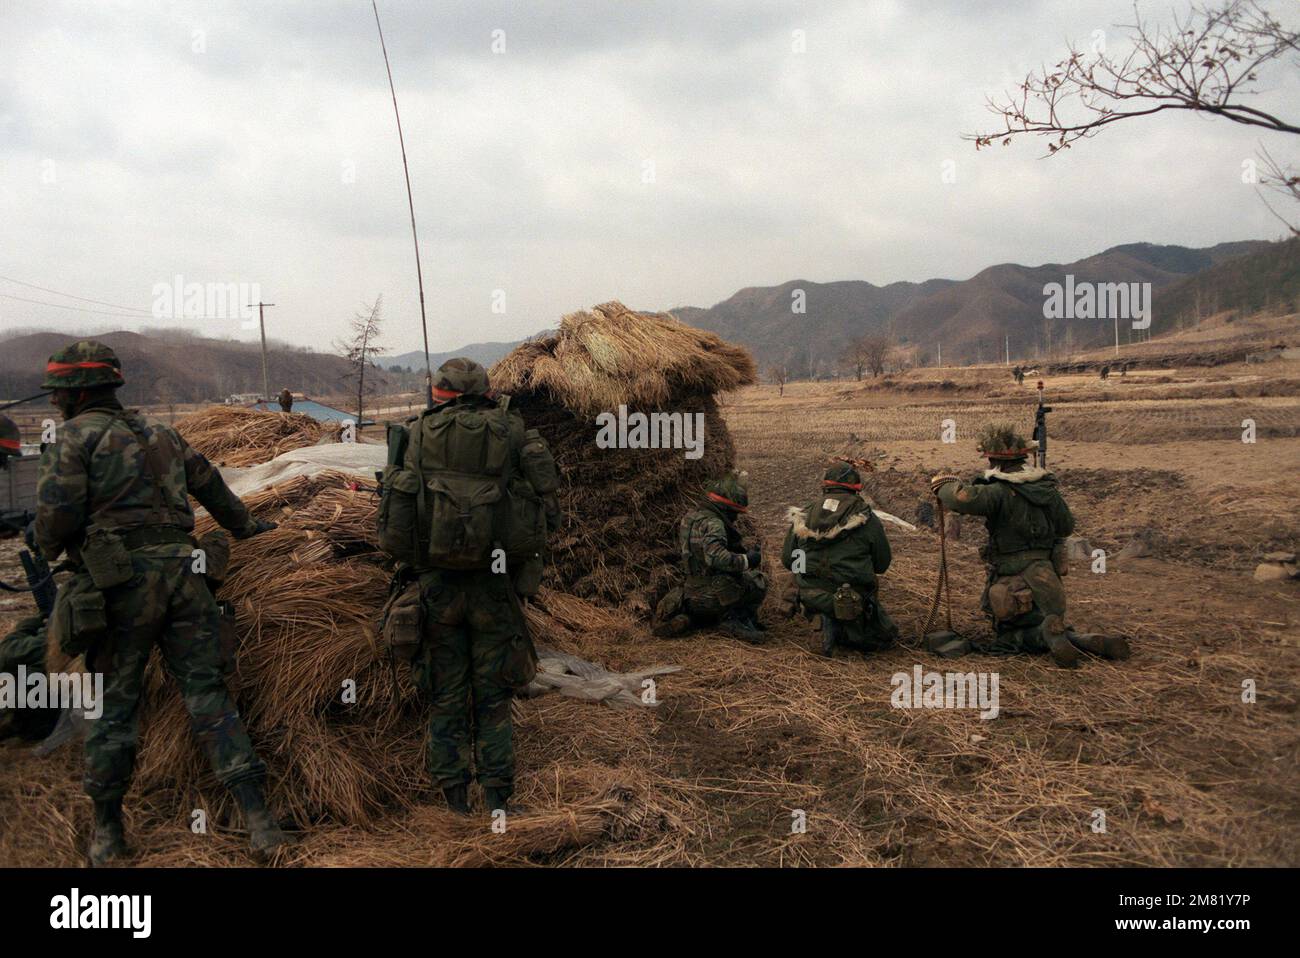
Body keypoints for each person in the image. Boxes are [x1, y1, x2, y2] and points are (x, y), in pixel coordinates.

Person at [34, 340, 288, 865]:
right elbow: (213, 488)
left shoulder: (73, 439)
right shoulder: (164, 434)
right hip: (184, 578)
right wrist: (245, 527)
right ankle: (259, 820)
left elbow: (55, 521)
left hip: (119, 589)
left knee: (113, 705)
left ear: (74, 393)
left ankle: (108, 833)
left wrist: (47, 546)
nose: (57, 402)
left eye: (59, 392)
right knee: (208, 694)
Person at [378, 358, 560, 816]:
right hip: (494, 587)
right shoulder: (513, 431)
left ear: (440, 393)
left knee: (446, 696)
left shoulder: (416, 432)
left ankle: (455, 803)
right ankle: (498, 799)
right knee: (494, 697)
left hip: (436, 588)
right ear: (484, 391)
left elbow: (395, 521)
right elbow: (547, 506)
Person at [930, 423, 1130, 668]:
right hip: (1048, 580)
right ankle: (1084, 640)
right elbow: (1066, 526)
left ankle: (1045, 636)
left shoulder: (999, 491)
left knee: (1010, 640)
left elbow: (962, 499)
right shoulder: (1047, 489)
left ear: (994, 461)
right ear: (1023, 458)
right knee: (1051, 623)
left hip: (1012, 581)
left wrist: (943, 485)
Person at [781, 463, 898, 656]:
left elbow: (789, 560)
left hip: (811, 594)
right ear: (856, 490)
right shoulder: (867, 519)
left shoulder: (803, 515)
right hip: (851, 598)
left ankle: (821, 619)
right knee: (885, 638)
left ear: (825, 487)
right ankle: (849, 629)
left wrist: (807, 570)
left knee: (803, 575)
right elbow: (881, 565)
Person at [657, 472, 767, 641]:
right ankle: (734, 620)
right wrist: (747, 560)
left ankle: (691, 620)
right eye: (734, 512)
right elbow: (715, 558)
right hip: (712, 596)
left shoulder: (690, 517)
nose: (736, 517)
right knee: (758, 581)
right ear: (725, 508)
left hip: (689, 594)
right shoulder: (715, 524)